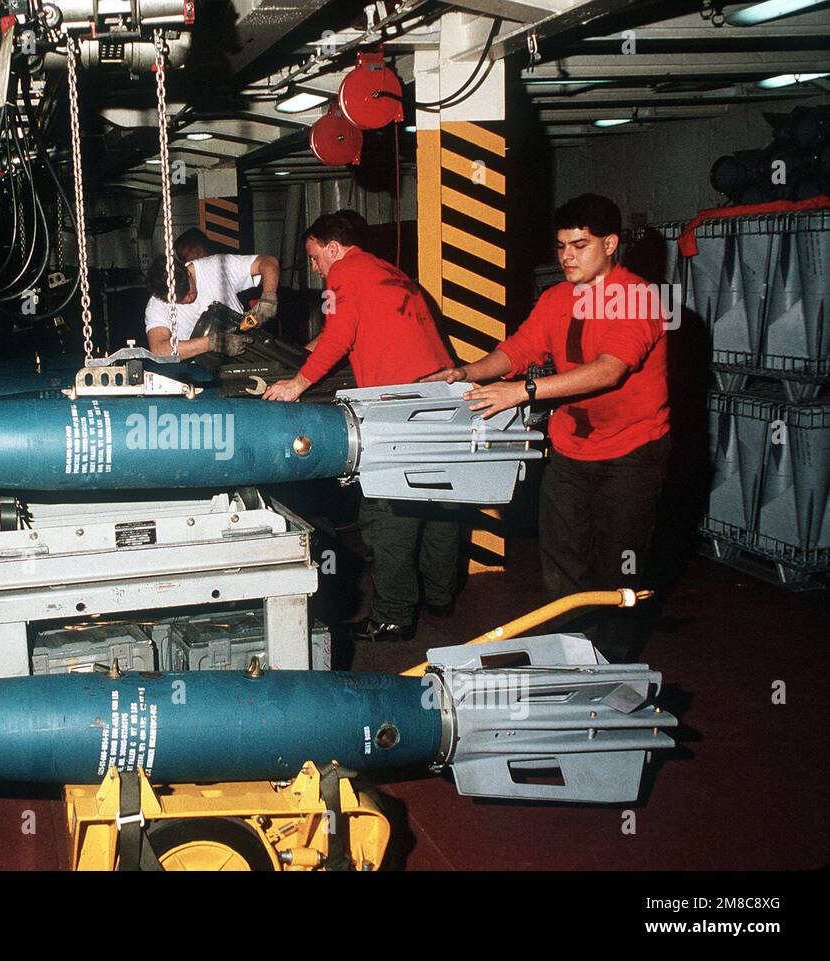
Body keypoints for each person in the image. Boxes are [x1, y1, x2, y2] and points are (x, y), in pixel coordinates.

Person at [421, 194, 670, 659]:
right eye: (561, 247)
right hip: (572, 450)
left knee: (618, 570)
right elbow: (517, 351)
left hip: (631, 454)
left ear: (611, 244)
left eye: (580, 245)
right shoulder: (557, 298)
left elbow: (609, 369)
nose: (567, 257)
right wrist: (467, 371)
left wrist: (523, 392)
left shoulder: (639, 298)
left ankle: (613, 668)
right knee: (561, 566)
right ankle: (571, 657)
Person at [264, 212, 459, 642]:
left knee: (385, 510)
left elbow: (338, 337)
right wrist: (297, 355)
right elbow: (344, 332)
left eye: (315, 257)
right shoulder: (388, 272)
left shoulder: (345, 272)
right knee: (438, 503)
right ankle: (441, 600)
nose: (315, 269)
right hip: (442, 403)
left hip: (401, 409)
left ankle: (393, 615)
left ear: (332, 248)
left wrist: (296, 384)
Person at [143, 248, 280, 359]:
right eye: (180, 299)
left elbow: (268, 262)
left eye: (188, 290)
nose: (188, 299)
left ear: (187, 272)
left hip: (250, 350)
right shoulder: (157, 306)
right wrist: (213, 343)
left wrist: (268, 298)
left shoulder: (215, 267)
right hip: (200, 371)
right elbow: (159, 350)